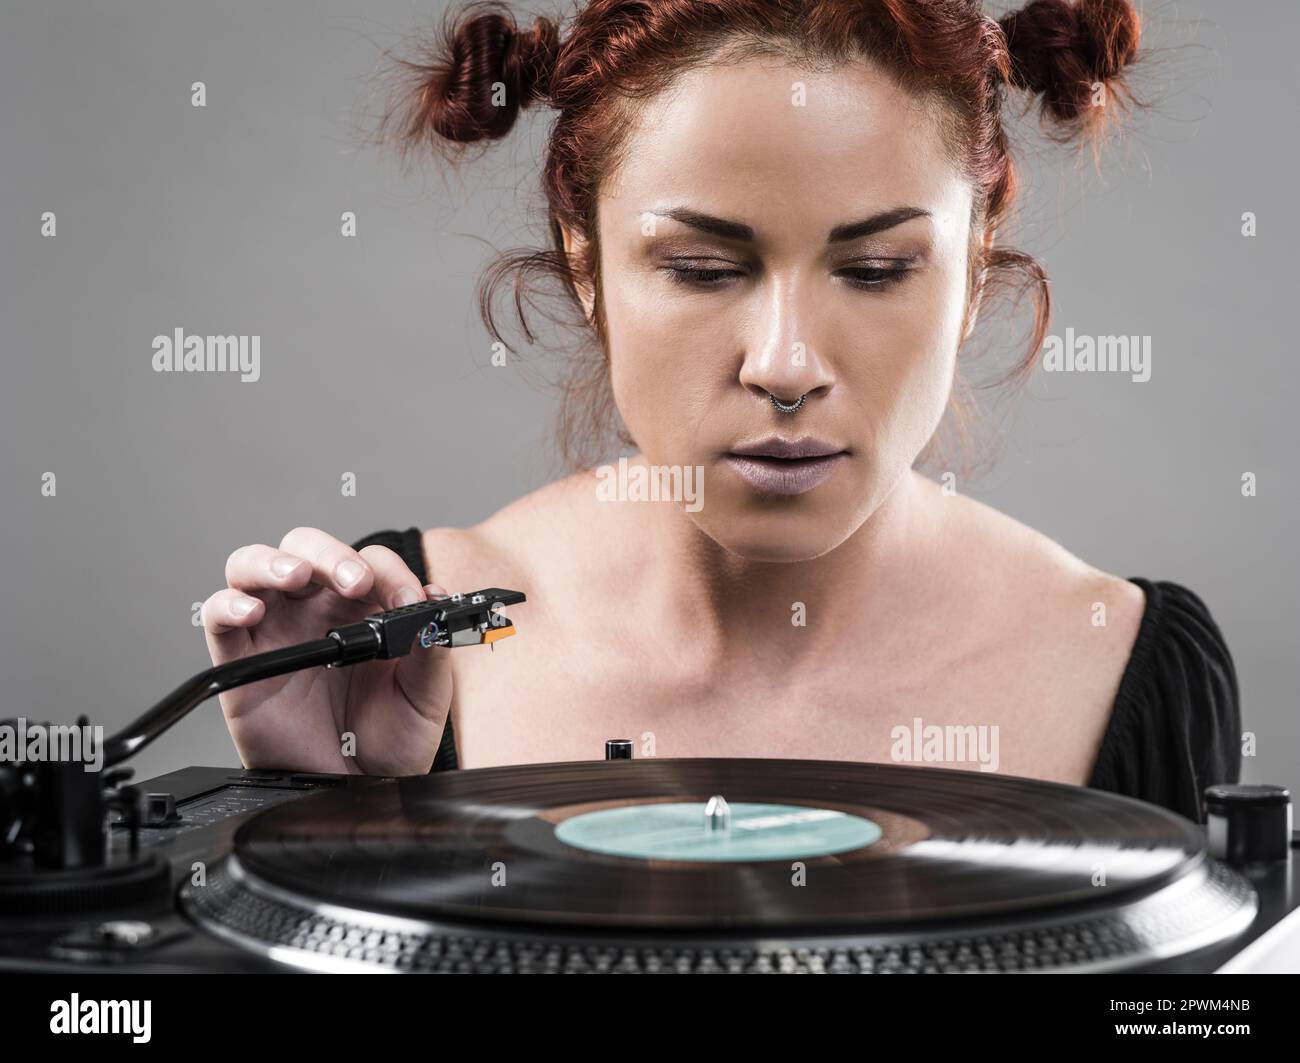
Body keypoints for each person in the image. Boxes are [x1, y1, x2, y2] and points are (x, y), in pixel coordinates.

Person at [201, 0, 1239, 824]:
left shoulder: (1125, 664)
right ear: (586, 264)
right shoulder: (394, 642)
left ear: (972, 271)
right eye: (702, 268)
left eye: (876, 269)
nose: (785, 365)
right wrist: (317, 826)